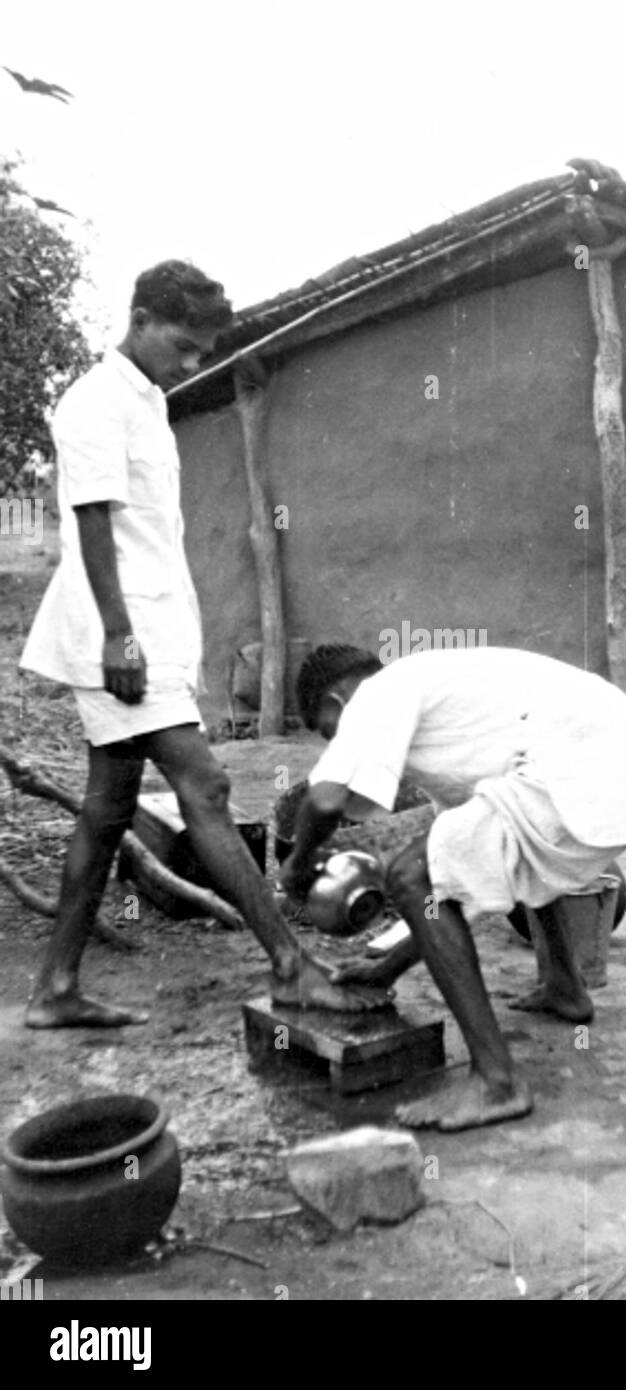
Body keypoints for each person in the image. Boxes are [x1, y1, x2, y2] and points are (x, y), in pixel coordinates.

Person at [19, 262, 381, 1028]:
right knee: (207, 789)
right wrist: (118, 636)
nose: (191, 363)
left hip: (143, 630)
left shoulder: (146, 401)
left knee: (107, 810)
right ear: (142, 318)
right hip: (118, 638)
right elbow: (90, 526)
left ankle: (55, 987)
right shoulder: (92, 406)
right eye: (183, 344)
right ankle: (289, 965)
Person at [280, 643, 626, 1133]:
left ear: (336, 700)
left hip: (584, 762)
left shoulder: (379, 692)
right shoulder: (447, 712)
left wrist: (295, 869)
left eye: (327, 730)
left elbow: (323, 804)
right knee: (476, 853)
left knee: (409, 875)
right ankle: (565, 987)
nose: (335, 743)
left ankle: (497, 1083)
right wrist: (385, 970)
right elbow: (457, 886)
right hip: (617, 756)